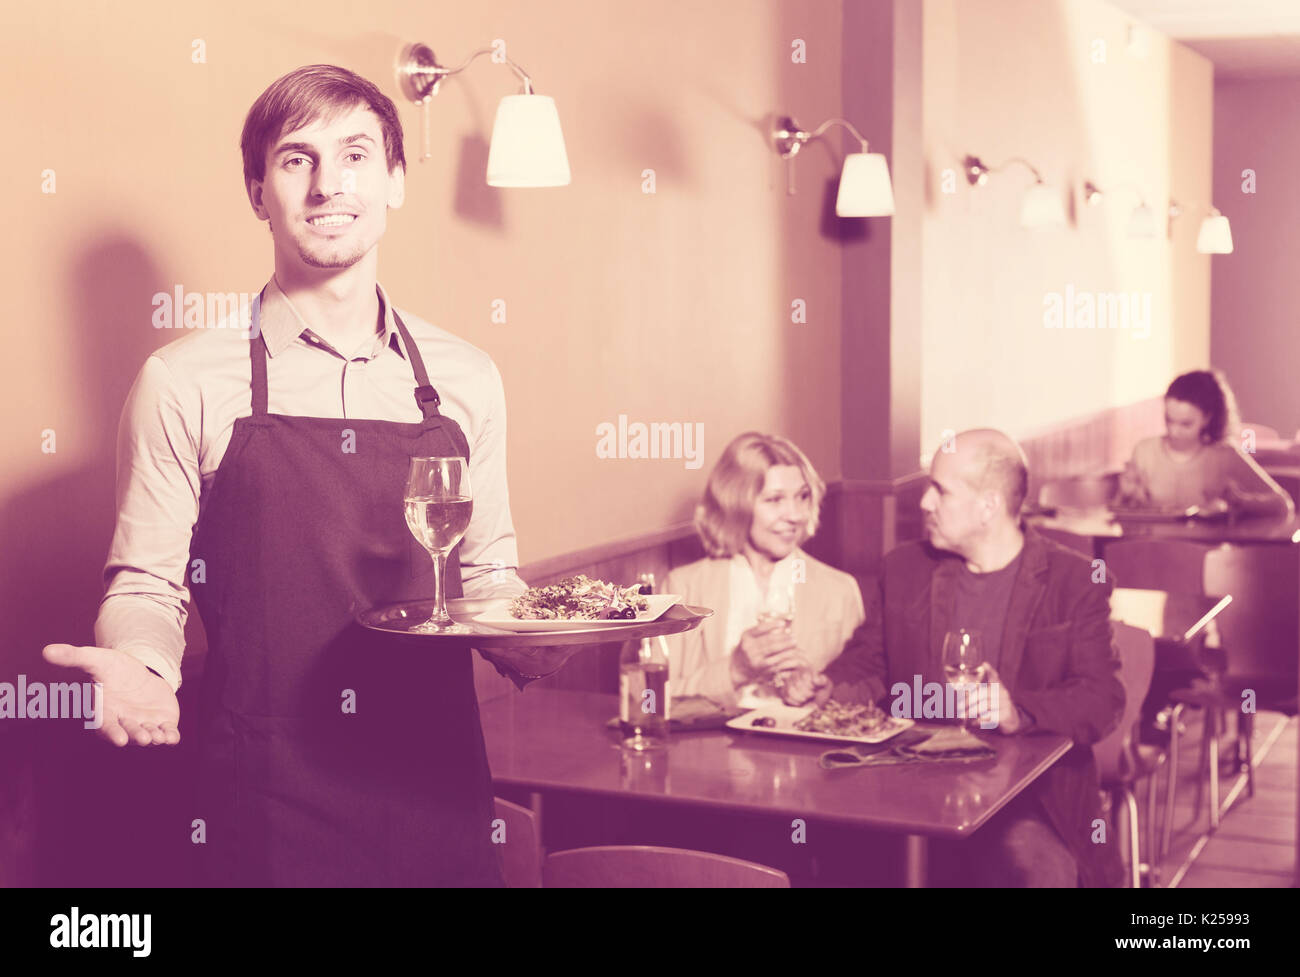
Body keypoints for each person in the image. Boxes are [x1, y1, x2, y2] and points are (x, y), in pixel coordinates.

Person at [41, 64, 577, 887]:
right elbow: (146, 588)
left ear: (395, 180)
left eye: (356, 154)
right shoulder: (183, 380)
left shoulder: (467, 379)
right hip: (262, 802)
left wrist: (550, 638)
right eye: (297, 160)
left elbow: (487, 574)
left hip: (436, 795)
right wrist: (143, 668)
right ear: (258, 191)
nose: (330, 185)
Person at [795, 429, 1126, 887]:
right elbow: (870, 663)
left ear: (988, 505)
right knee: (820, 849)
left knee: (1033, 872)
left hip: (1028, 801)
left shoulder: (1074, 581)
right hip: (907, 787)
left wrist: (1018, 712)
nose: (925, 502)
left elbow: (1101, 700)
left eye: (941, 490)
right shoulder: (906, 568)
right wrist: (827, 686)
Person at [664, 432, 865, 707]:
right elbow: (649, 702)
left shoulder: (841, 590)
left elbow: (857, 706)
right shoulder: (684, 589)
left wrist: (820, 692)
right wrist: (735, 670)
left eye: (802, 497)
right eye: (774, 500)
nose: (795, 515)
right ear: (734, 505)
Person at [1117, 369, 1293, 518]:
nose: (1174, 431)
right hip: (1151, 550)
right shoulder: (1144, 451)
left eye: (1186, 424)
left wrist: (1240, 502)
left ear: (1207, 418)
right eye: (1169, 420)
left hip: (1210, 554)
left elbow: (1282, 504)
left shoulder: (1224, 455)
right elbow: (1121, 513)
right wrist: (1127, 499)